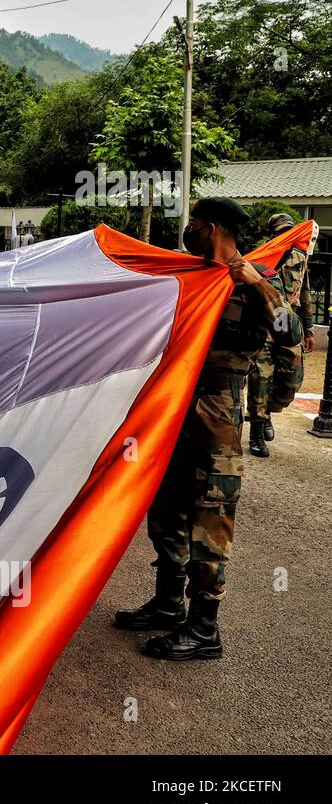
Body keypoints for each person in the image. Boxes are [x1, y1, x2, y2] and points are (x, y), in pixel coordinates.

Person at [113, 196, 301, 661]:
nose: (190, 229)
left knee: (211, 519)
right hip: (174, 409)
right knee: (167, 509)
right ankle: (168, 605)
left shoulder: (258, 282)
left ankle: (203, 629)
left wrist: (258, 286)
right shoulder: (191, 275)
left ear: (214, 227)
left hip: (217, 415)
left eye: (195, 222)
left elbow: (293, 335)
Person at [245, 213, 315, 457]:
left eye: (289, 230)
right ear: (272, 234)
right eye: (281, 231)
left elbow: (304, 292)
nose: (285, 235)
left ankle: (269, 412)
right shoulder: (261, 255)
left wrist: (308, 329)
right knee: (261, 377)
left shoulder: (301, 255)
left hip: (289, 321)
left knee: (292, 378)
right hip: (264, 322)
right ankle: (257, 429)